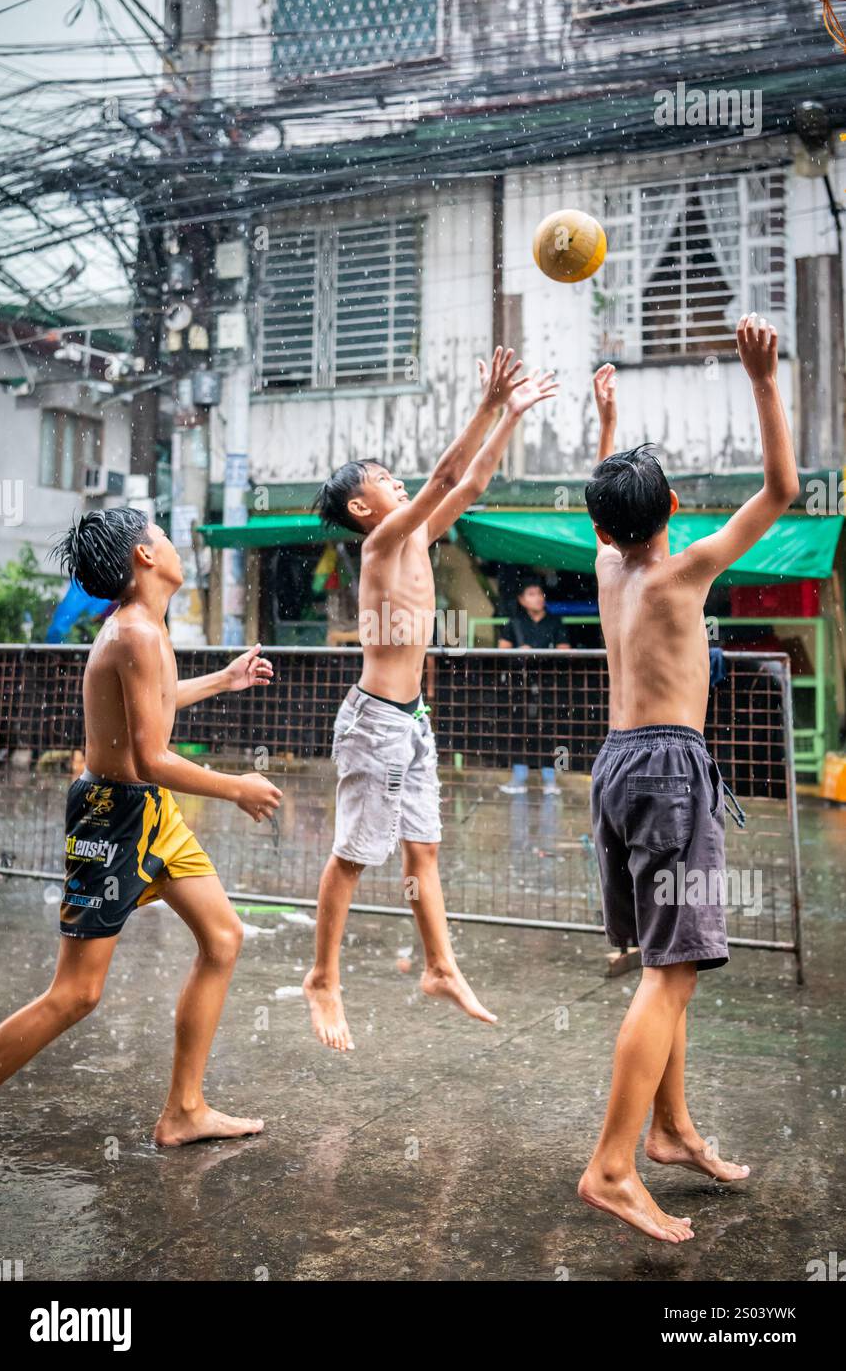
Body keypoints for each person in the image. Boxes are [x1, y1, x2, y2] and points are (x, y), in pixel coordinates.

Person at [578, 315, 798, 1242]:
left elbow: (603, 509)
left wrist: (608, 417)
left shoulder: (605, 567)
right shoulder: (680, 575)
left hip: (619, 768)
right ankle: (613, 1166)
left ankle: (669, 1130)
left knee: (666, 967)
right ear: (672, 514)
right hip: (669, 773)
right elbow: (783, 490)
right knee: (669, 974)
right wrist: (762, 378)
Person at [0, 508, 282, 1147]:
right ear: (145, 557)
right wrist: (236, 788)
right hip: (112, 818)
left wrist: (223, 680)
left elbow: (154, 706)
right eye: (165, 536)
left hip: (151, 816)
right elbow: (151, 756)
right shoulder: (135, 633)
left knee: (223, 938)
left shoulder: (145, 627)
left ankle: (185, 1111)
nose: (175, 546)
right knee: (77, 994)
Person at [305, 348, 558, 1051]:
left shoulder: (417, 531)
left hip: (412, 722)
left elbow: (470, 482)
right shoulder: (384, 540)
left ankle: (440, 967)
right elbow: (448, 472)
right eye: (384, 479)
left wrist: (509, 416)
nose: (399, 481)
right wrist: (485, 403)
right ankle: (323, 977)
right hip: (375, 723)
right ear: (363, 507)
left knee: (425, 854)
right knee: (354, 856)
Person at [498, 577, 570, 794]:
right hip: (521, 683)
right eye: (531, 594)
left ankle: (551, 779)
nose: (538, 598)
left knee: (551, 728)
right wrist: (520, 653)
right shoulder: (514, 623)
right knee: (519, 727)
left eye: (539, 594)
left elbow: (565, 650)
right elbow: (502, 650)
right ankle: (519, 777)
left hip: (550, 684)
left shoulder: (555, 622)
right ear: (521, 600)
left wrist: (541, 654)